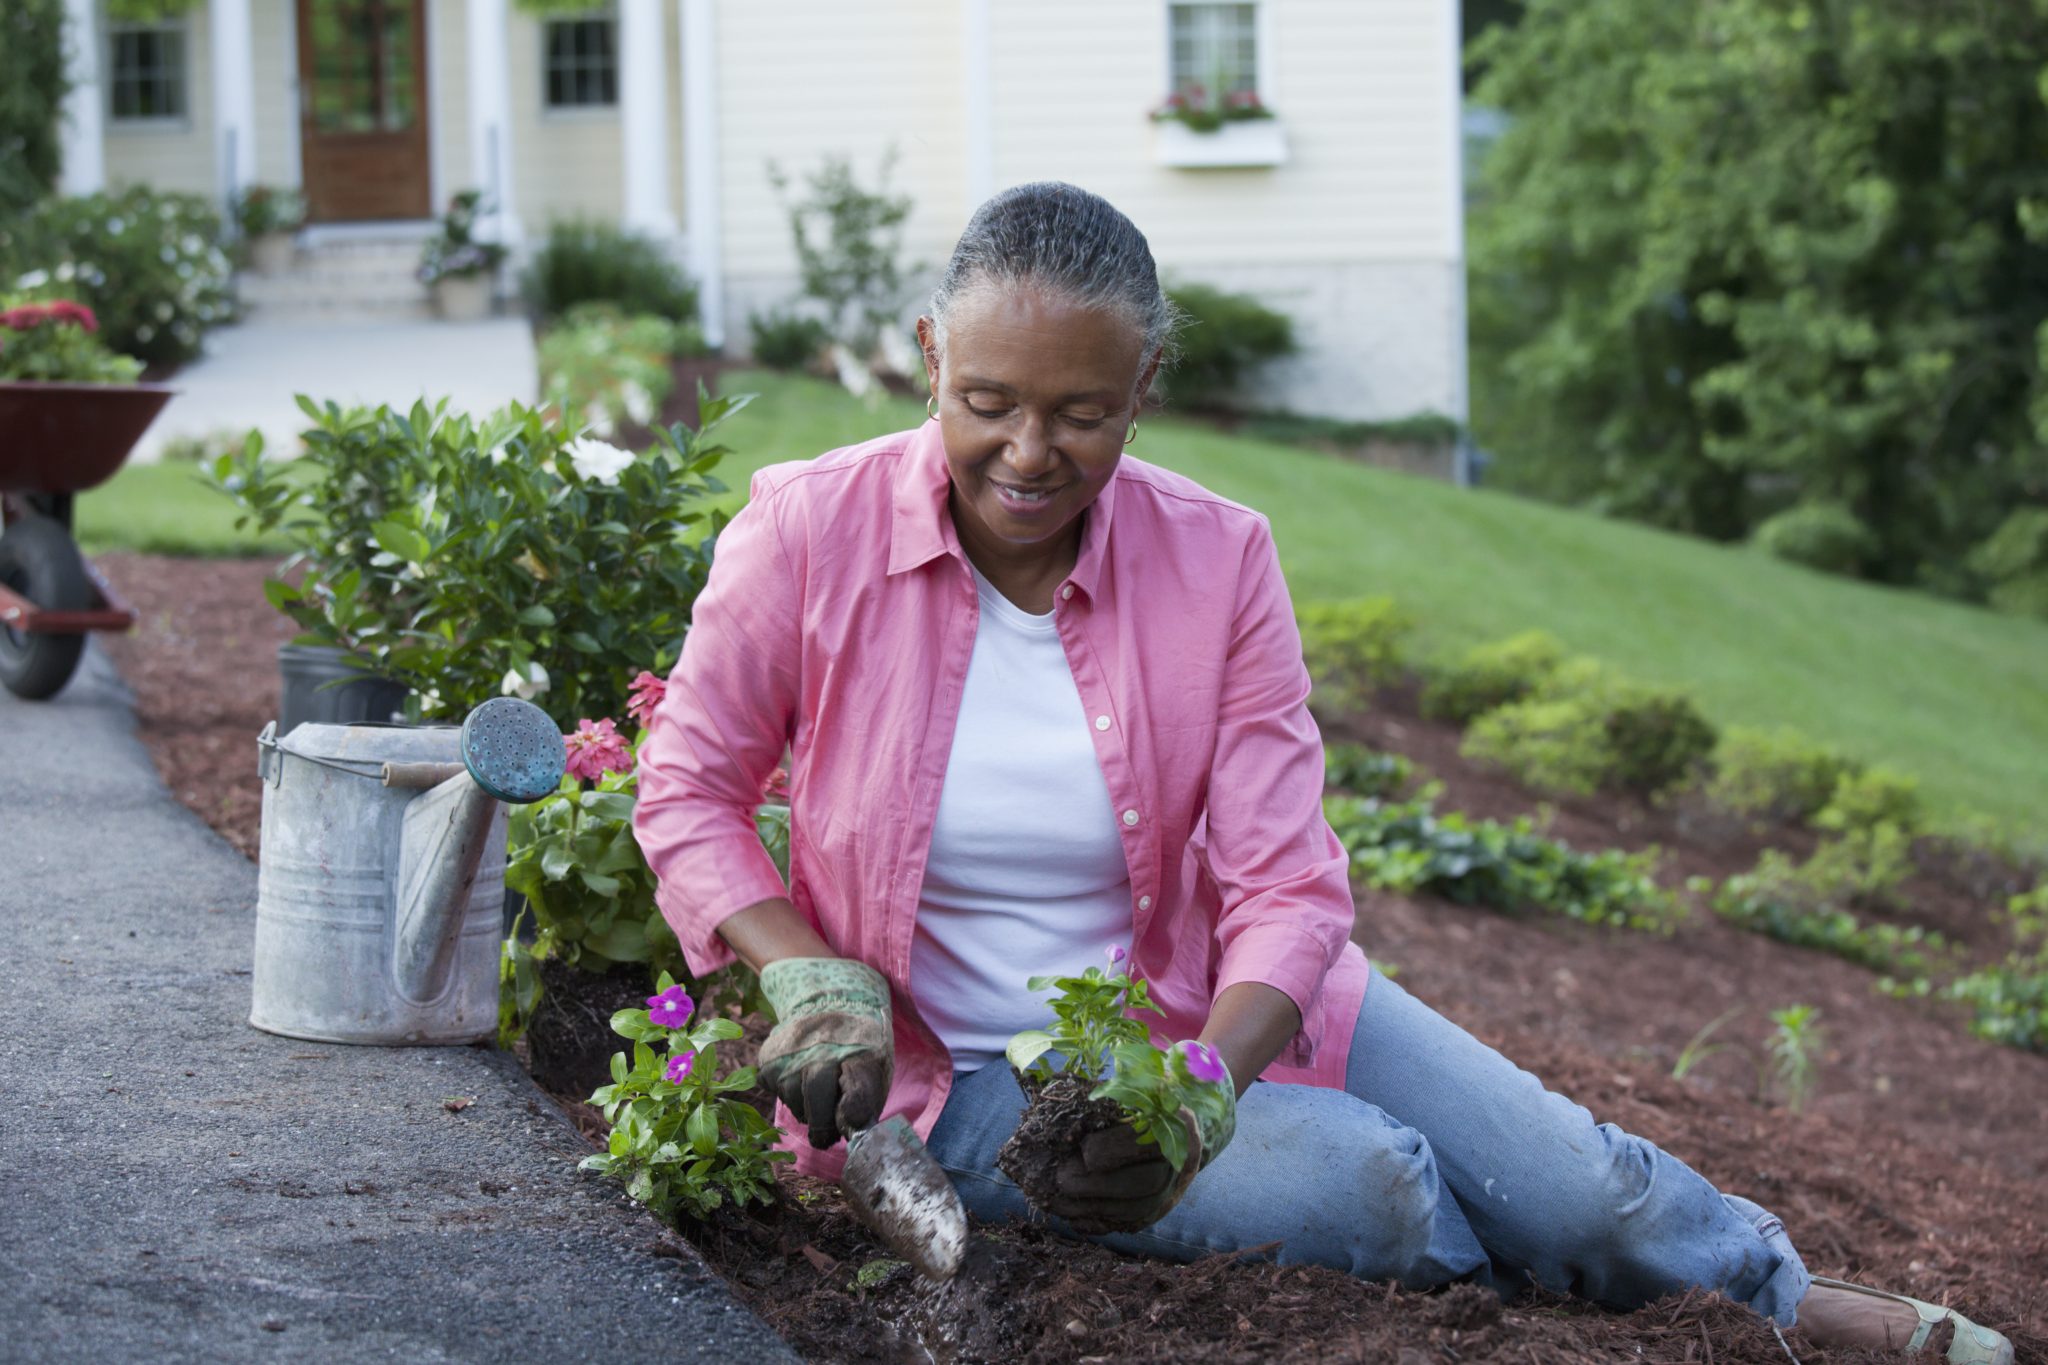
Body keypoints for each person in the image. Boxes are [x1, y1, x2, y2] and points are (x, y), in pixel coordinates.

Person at [632, 182, 2012, 1364]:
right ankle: (1572, 1294)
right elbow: (686, 784)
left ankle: (1773, 1290)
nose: (1029, 454)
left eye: (1084, 413)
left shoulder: (1219, 559)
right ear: (929, 353)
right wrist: (805, 969)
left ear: (1146, 388)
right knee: (1382, 1183)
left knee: (1579, 1188)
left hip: (1221, 1014)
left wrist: (1199, 1094)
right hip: (972, 1075)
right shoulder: (807, 531)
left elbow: (1289, 881)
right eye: (985, 401)